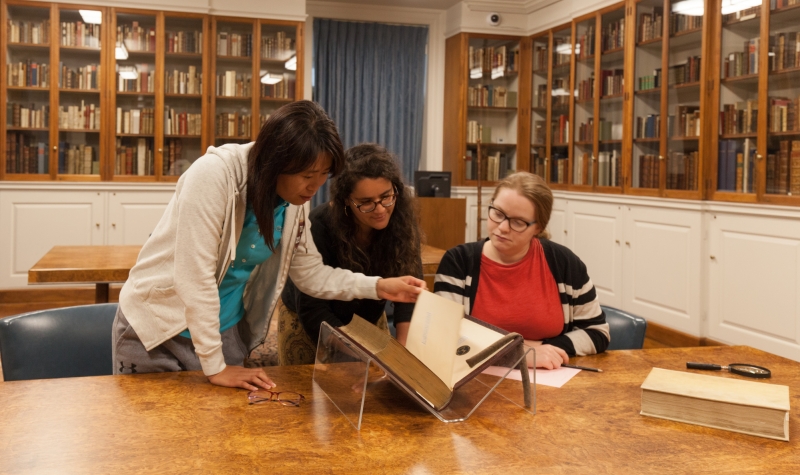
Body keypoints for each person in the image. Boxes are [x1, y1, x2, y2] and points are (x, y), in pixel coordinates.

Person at [112, 101, 425, 391]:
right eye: (307, 175)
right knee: (151, 429)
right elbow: (194, 277)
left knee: (221, 428)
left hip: (222, 328)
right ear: (277, 163)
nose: (315, 185)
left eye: (323, 175)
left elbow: (311, 275)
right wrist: (215, 366)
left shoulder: (292, 200)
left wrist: (378, 286)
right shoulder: (213, 176)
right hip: (160, 328)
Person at [433, 172, 609, 369]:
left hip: (548, 377)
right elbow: (444, 337)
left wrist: (544, 349)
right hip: (478, 380)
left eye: (518, 222)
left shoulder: (564, 263)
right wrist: (520, 352)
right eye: (497, 213)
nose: (502, 227)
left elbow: (597, 332)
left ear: (538, 227)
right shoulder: (458, 262)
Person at [281, 143, 423, 357]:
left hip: (368, 320)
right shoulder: (319, 225)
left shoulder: (401, 220)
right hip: (313, 322)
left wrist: (403, 350)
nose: (380, 209)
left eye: (386, 197)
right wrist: (359, 353)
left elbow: (409, 293)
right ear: (346, 200)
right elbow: (312, 309)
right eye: (366, 202)